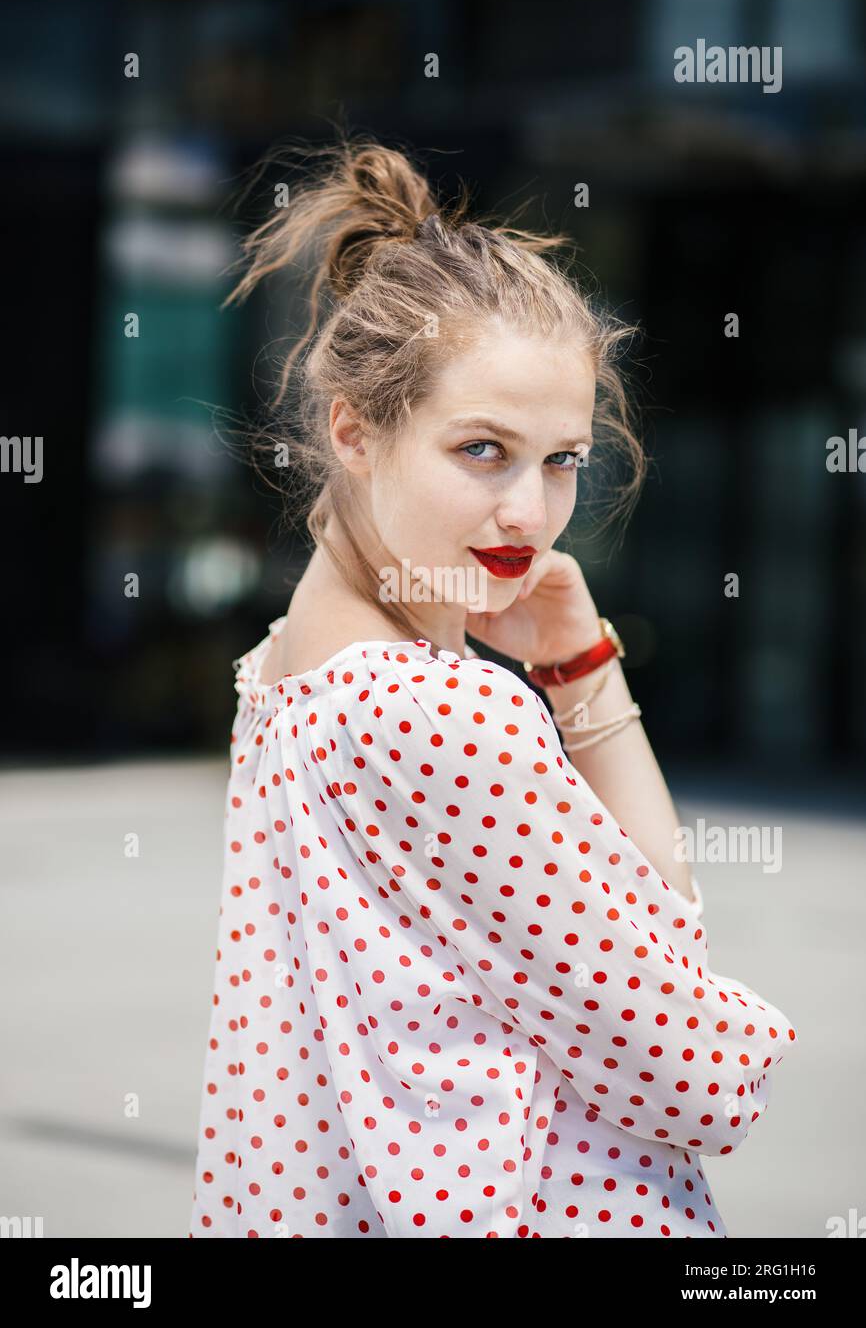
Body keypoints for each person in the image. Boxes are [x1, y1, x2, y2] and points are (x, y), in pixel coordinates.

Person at [189, 138, 797, 1238]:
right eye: (482, 450)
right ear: (354, 428)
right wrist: (584, 680)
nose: (529, 511)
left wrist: (560, 655)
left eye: (561, 458)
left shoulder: (280, 675)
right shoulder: (440, 713)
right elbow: (697, 1072)